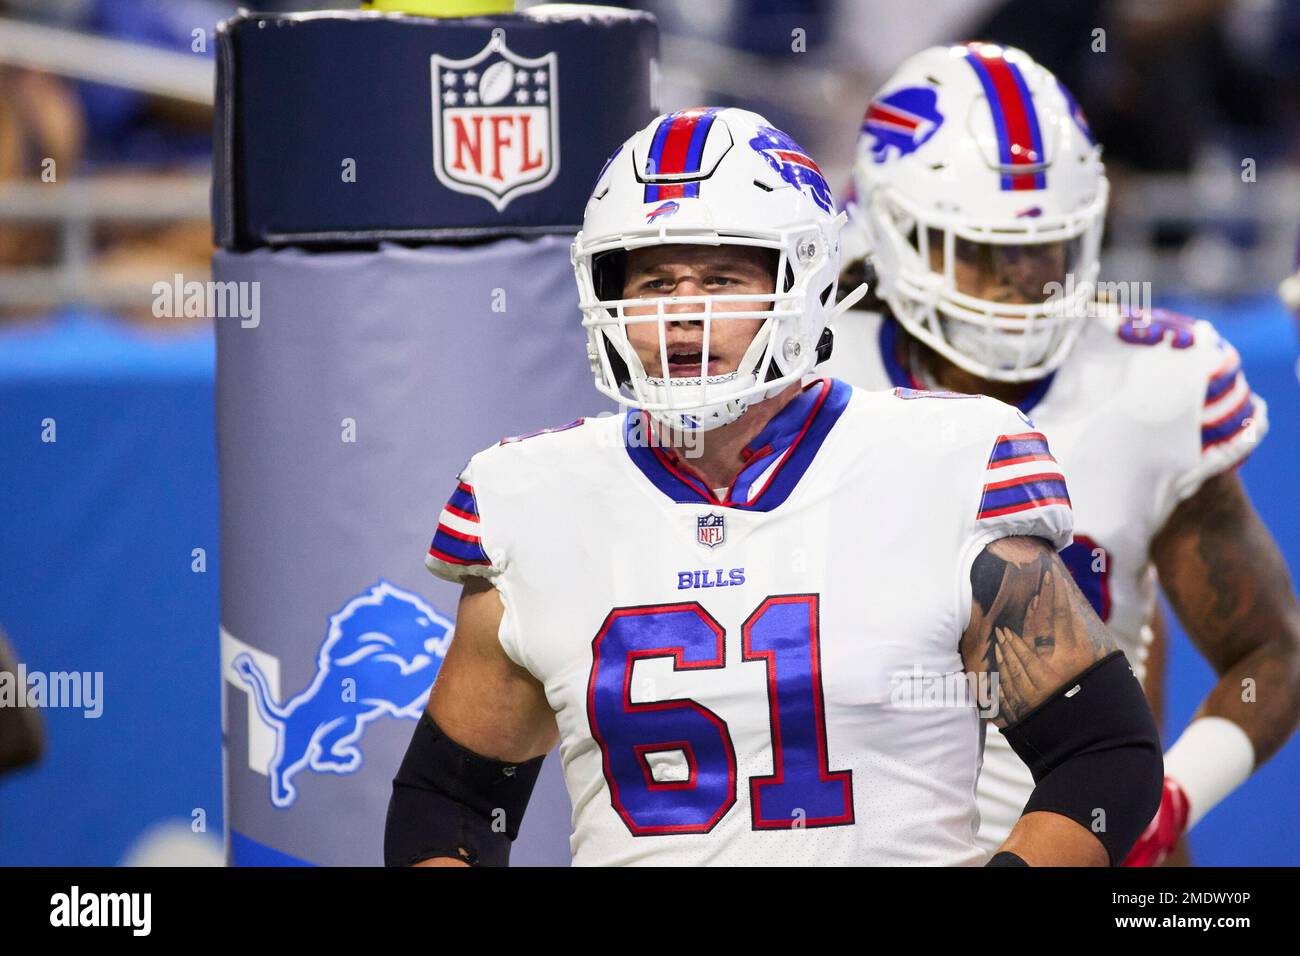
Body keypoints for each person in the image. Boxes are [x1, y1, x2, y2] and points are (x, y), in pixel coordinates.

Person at [384, 106, 1162, 866]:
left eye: (722, 279)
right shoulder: (530, 498)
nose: (683, 316)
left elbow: (1101, 752)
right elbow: (448, 806)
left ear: (805, 284)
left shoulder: (945, 462)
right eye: (655, 283)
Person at [824, 42, 1300, 865]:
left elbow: (1270, 653)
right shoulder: (809, 372)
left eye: (1044, 245)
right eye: (976, 246)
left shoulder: (1151, 385)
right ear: (891, 234)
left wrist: (1171, 798)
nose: (1020, 278)